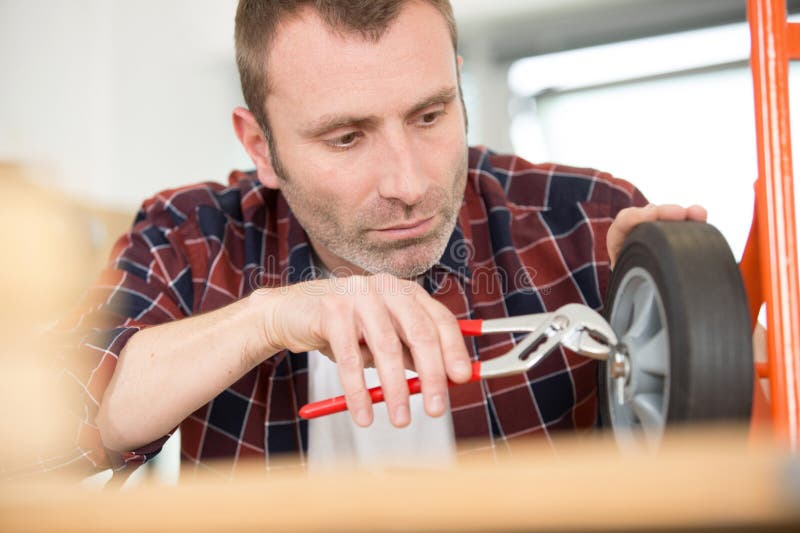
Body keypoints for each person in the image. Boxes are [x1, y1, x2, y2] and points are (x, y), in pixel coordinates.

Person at [55, 0, 706, 475]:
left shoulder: (588, 222)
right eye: (347, 137)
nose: (408, 181)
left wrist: (689, 317)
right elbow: (47, 429)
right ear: (260, 145)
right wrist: (267, 318)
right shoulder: (191, 235)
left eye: (430, 114)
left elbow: (723, 461)